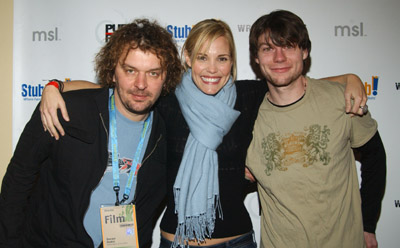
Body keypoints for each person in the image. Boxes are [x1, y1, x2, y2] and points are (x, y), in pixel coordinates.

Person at [38, 19, 368, 248]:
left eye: (222, 58)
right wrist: (55, 86)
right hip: (176, 240)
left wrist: (349, 78)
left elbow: (293, 81)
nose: (212, 68)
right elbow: (104, 90)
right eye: (203, 57)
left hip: (236, 240)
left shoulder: (247, 97)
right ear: (187, 58)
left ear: (233, 63)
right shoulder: (164, 98)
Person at [0, 19, 183, 248]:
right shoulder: (64, 111)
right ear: (113, 71)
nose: (140, 84)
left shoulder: (169, 134)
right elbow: (17, 182)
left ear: (166, 77)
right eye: (130, 70)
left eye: (153, 73)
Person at [246, 10, 386, 248]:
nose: (279, 58)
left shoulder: (341, 100)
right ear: (256, 58)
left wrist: (368, 224)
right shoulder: (247, 114)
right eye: (268, 48)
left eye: (288, 46)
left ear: (305, 51)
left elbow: (375, 156)